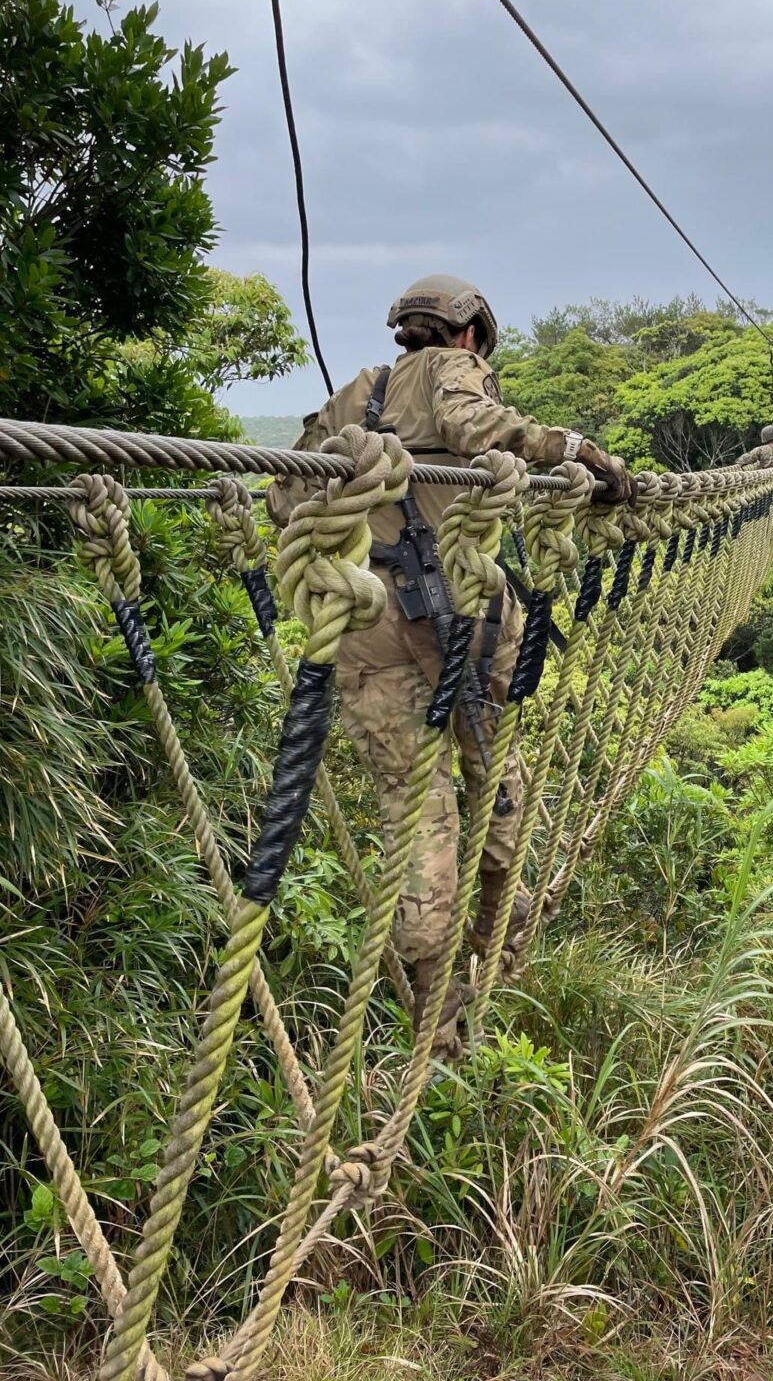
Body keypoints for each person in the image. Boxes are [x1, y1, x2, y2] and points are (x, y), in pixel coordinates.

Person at [268, 275, 631, 1052]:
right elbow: (475, 428)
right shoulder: (450, 369)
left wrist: (371, 485)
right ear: (469, 335)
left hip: (373, 642)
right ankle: (500, 937)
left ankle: (441, 1017)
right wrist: (581, 454)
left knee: (417, 824)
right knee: (497, 798)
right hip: (463, 635)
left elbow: (283, 494)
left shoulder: (356, 396)